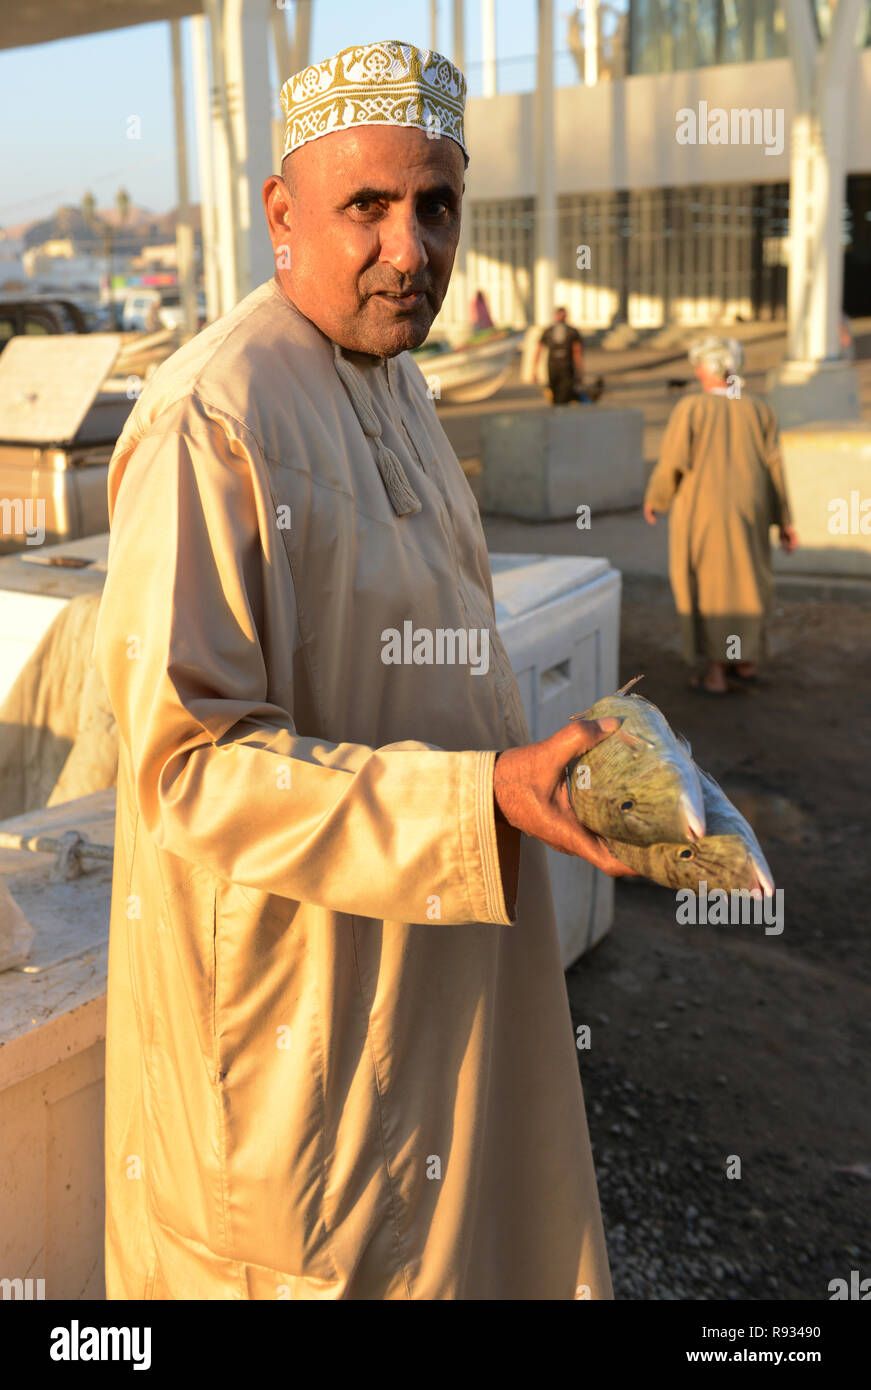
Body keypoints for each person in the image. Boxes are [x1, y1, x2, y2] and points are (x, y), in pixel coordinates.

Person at [93, 39, 632, 1301]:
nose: (410, 249)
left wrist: (555, 775)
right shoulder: (212, 418)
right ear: (282, 215)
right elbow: (190, 767)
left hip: (439, 987)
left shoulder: (396, 384)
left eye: (435, 204)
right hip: (304, 1041)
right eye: (367, 208)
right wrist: (478, 801)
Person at [643, 335, 799, 695]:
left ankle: (715, 674)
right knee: (747, 583)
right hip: (750, 513)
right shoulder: (760, 410)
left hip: (705, 514)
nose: (696, 370)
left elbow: (673, 463)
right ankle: (745, 662)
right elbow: (775, 468)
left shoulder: (692, 408)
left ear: (709, 368)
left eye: (699, 364)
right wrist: (785, 521)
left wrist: (656, 498)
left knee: (712, 589)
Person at [534, 306, 586, 404]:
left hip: (567, 367)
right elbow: (539, 349)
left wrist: (580, 371)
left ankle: (563, 413)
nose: (560, 317)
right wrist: (534, 369)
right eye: (559, 315)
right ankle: (556, 413)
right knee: (554, 393)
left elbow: (577, 352)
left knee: (565, 393)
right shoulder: (548, 331)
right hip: (552, 366)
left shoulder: (572, 332)